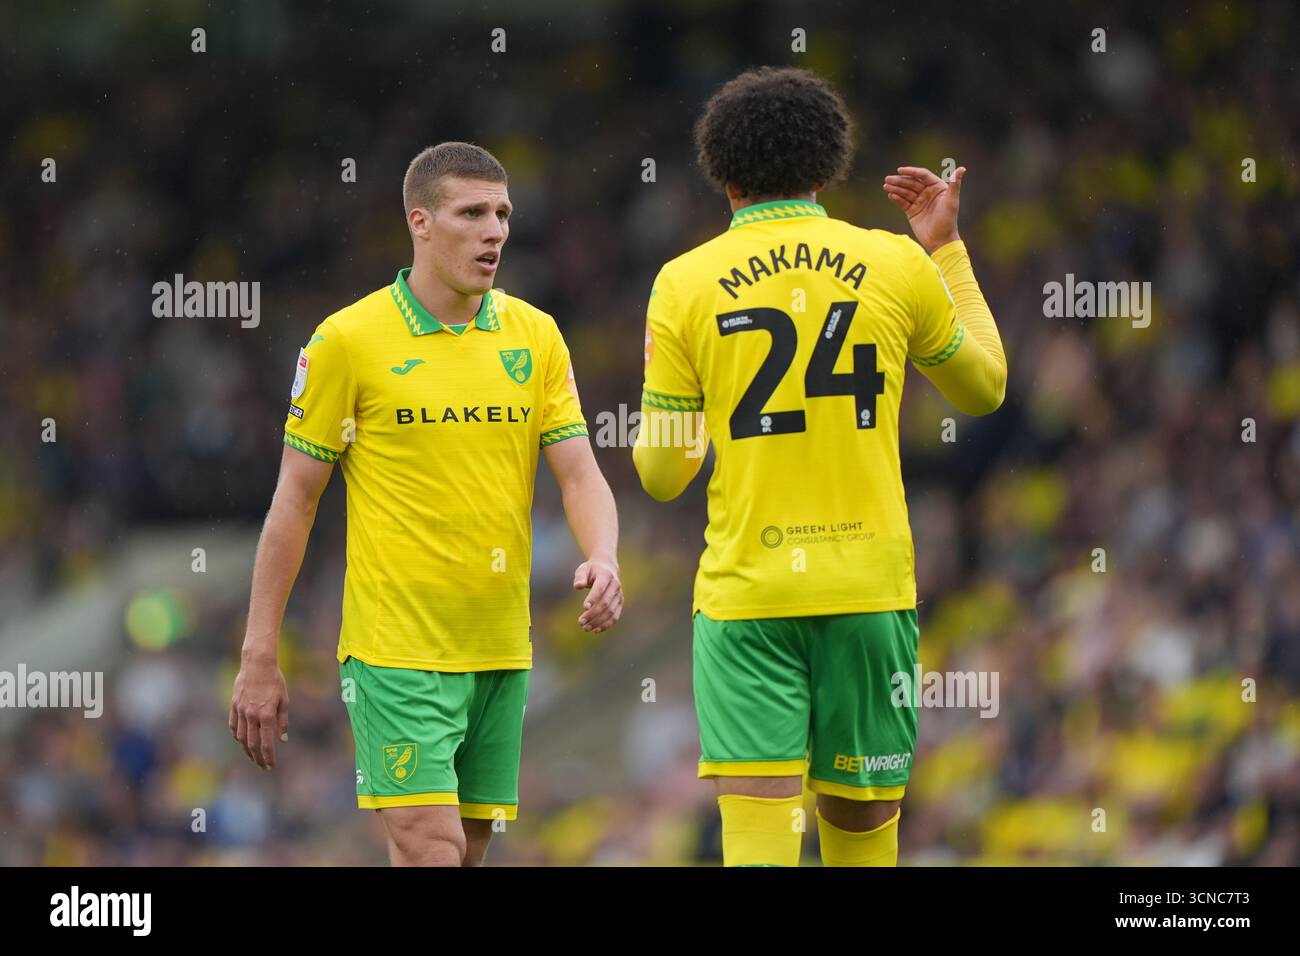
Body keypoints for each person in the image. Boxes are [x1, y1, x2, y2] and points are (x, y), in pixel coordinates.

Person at [633, 67, 1006, 866]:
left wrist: (704, 397)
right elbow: (985, 387)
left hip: (749, 600)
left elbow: (663, 474)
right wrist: (945, 250)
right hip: (868, 591)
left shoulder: (684, 283)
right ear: (826, 169)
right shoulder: (897, 263)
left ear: (724, 178)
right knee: (862, 843)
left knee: (761, 846)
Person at [230, 142, 622, 866]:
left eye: (502, 214)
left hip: (501, 648)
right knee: (432, 849)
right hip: (397, 652)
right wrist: (260, 653)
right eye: (472, 213)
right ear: (421, 222)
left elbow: (579, 475)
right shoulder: (349, 341)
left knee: (465, 853)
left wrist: (604, 555)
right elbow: (295, 499)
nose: (494, 230)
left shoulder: (535, 336)